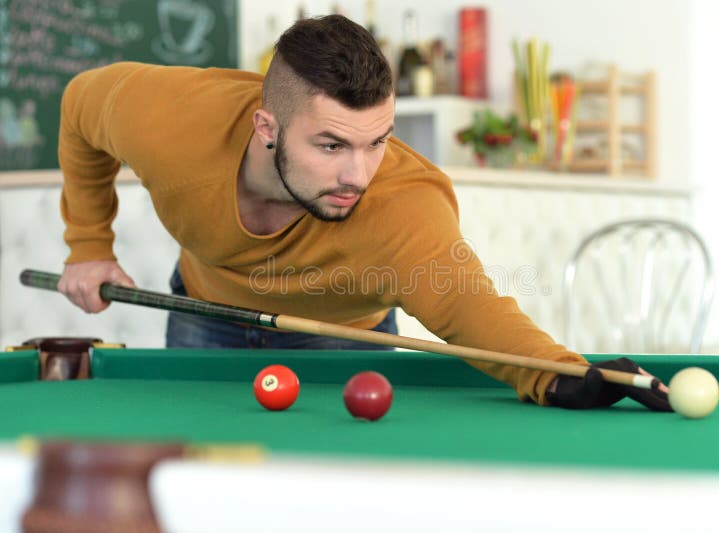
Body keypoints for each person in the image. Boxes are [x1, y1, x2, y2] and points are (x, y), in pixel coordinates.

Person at [56, 14, 670, 411]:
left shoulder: (403, 205)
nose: (358, 174)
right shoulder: (172, 121)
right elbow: (80, 106)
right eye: (331, 146)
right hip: (205, 314)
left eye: (376, 141)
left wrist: (560, 374)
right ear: (267, 128)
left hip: (341, 340)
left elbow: (467, 306)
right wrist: (88, 245)